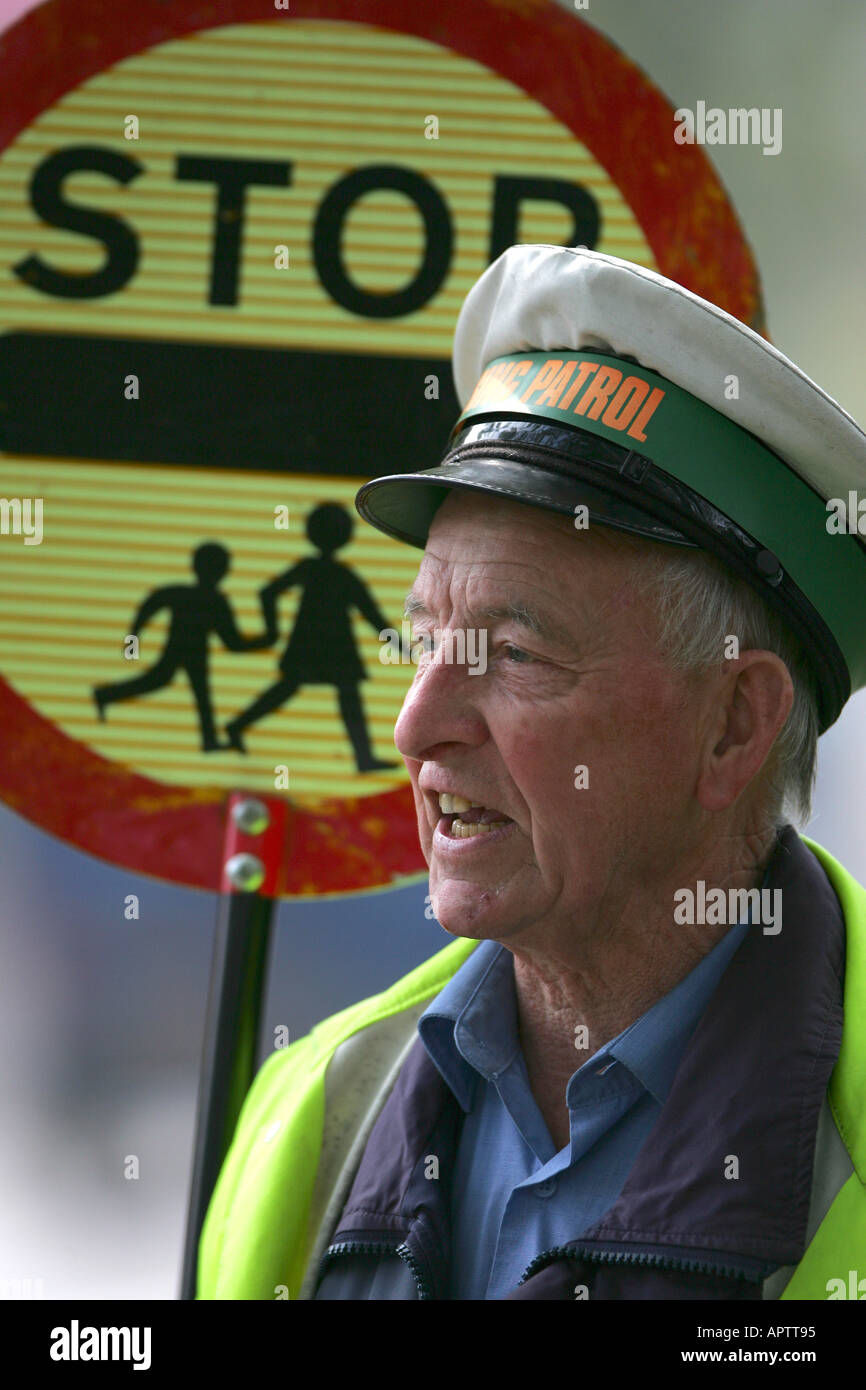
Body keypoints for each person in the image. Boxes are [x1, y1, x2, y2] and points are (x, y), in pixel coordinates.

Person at [196, 245, 866, 1300]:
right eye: (424, 642)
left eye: (514, 653)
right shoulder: (309, 1109)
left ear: (733, 725)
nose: (417, 726)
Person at [92, 541, 272, 753]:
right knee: (172, 685)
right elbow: (233, 642)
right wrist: (265, 641)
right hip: (185, 651)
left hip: (191, 652)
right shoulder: (209, 599)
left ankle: (209, 740)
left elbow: (231, 641)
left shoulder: (200, 597)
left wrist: (134, 638)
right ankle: (104, 695)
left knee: (182, 688)